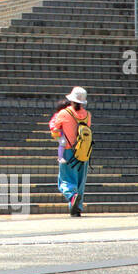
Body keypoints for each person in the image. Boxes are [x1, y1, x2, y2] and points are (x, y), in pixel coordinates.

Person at [50, 87, 92, 217]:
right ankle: (77, 209)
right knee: (80, 181)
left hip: (68, 151)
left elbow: (55, 131)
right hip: (84, 152)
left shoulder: (63, 113)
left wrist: (60, 137)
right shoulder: (87, 115)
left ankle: (72, 196)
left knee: (66, 180)